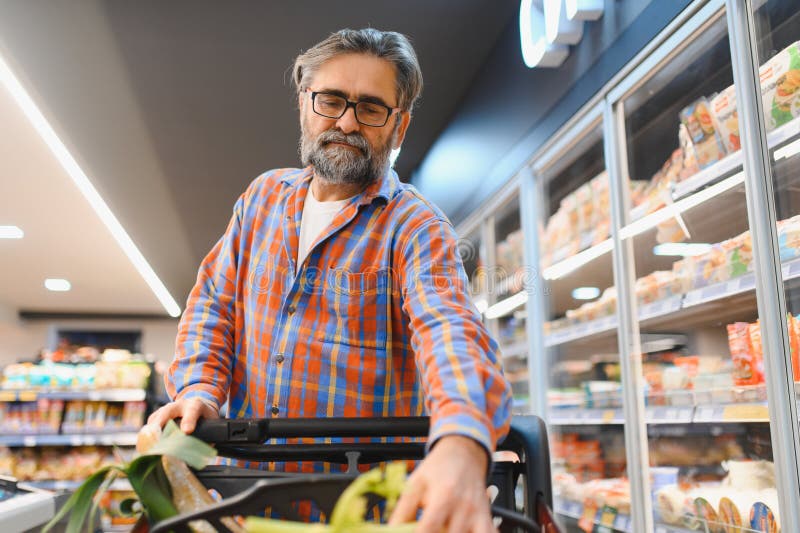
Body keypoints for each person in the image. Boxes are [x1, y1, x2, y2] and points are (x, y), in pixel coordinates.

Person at [149, 27, 512, 532]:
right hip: (242, 503)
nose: (346, 120)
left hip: (359, 513)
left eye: (370, 107)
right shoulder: (261, 199)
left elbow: (449, 329)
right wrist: (199, 388)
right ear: (304, 104)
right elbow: (214, 303)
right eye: (331, 100)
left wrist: (461, 441)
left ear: (399, 126)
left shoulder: (415, 228)